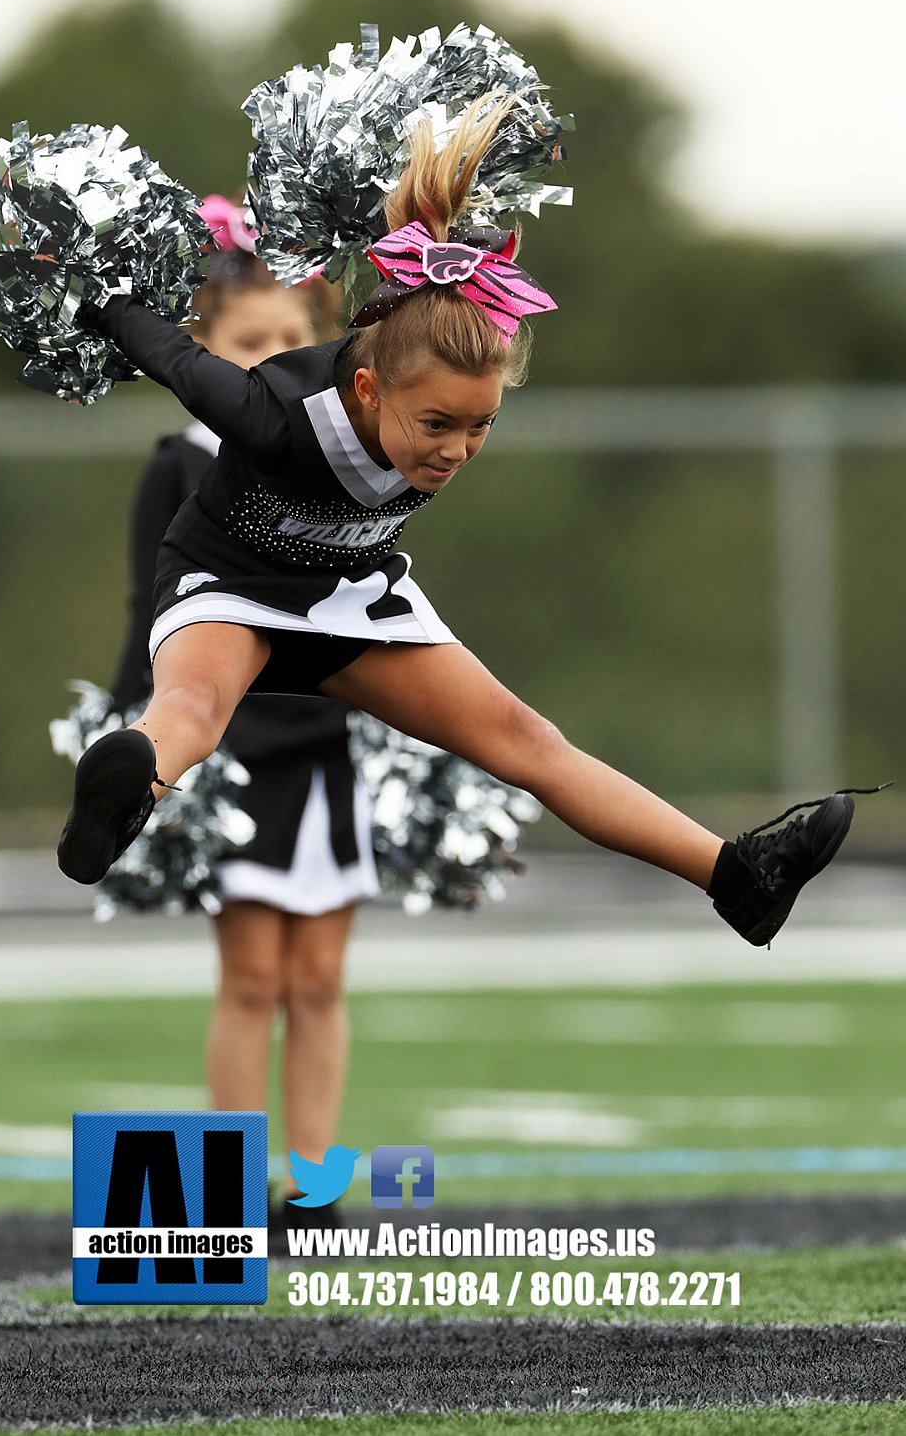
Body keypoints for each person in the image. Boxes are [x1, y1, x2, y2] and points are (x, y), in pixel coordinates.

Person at [58, 94, 861, 951]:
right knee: (193, 709)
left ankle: (738, 878)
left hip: (349, 591)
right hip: (232, 579)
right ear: (368, 391)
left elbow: (440, 290)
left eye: (481, 426)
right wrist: (93, 296)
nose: (456, 451)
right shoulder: (277, 418)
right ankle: (123, 795)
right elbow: (178, 360)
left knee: (528, 740)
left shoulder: (428, 367)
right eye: (437, 425)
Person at [106, 195, 377, 1229]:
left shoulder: (337, 453)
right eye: (246, 345)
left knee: (320, 977)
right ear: (203, 351)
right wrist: (128, 729)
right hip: (232, 745)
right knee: (253, 977)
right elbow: (148, 608)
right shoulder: (180, 461)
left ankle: (314, 1190)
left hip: (328, 738)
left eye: (288, 343)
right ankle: (225, 1196)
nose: (269, 363)